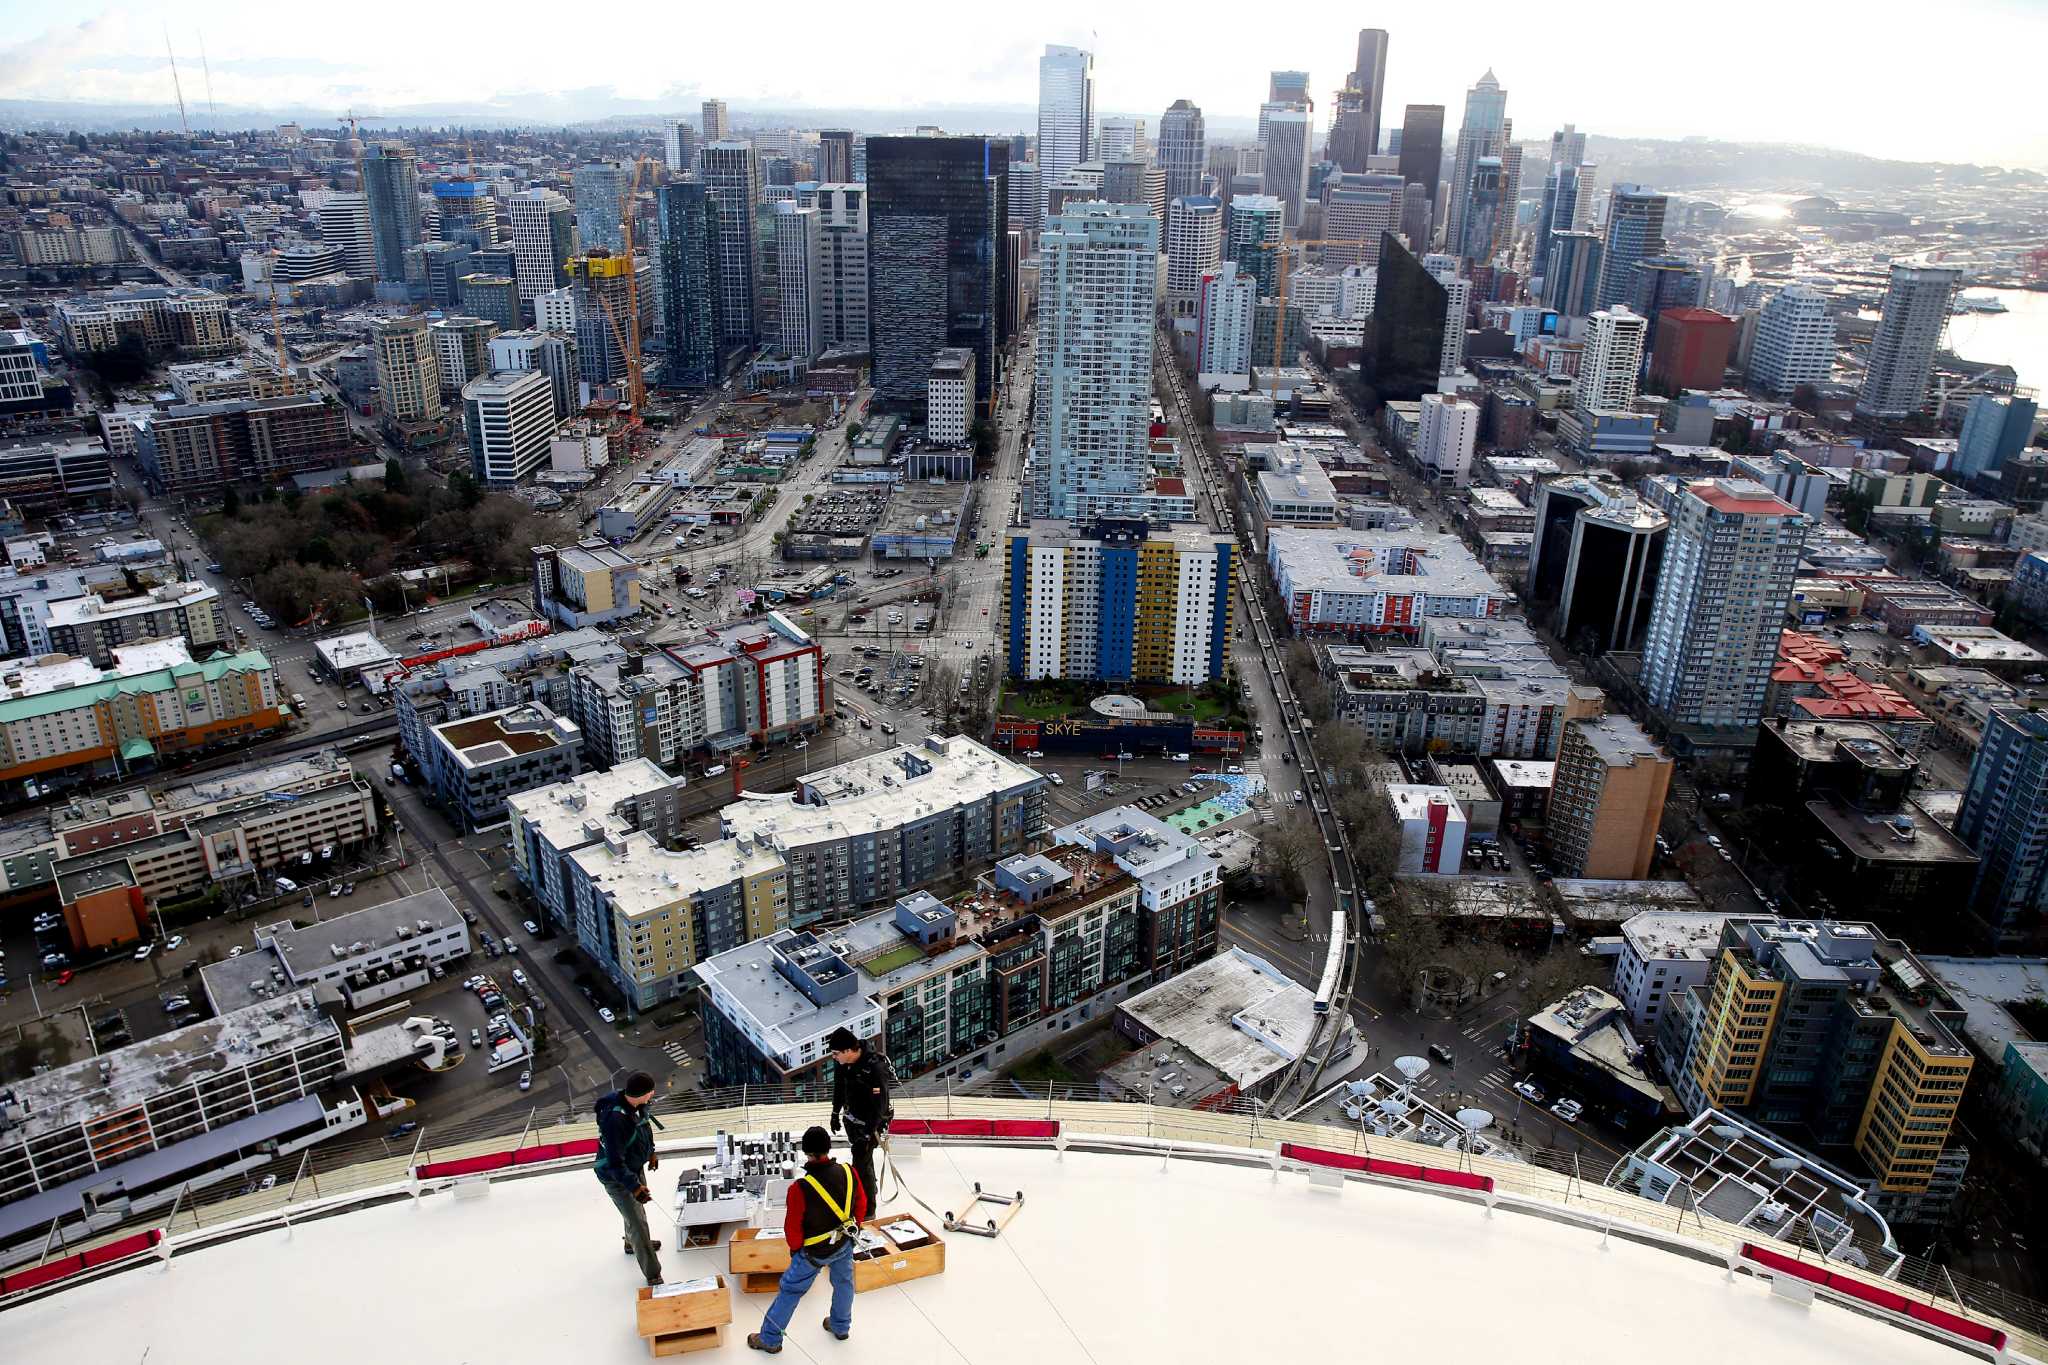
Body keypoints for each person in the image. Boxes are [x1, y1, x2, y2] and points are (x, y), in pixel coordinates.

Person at [748, 1126, 867, 1354]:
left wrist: (796, 1252)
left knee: (790, 1291)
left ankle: (770, 1339)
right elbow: (861, 1205)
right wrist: (853, 1230)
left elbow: (792, 1228)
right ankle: (840, 1326)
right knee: (844, 1283)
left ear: (807, 1153)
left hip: (813, 1253)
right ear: (828, 1148)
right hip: (843, 1243)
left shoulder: (800, 1188)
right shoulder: (849, 1172)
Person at [593, 1071, 664, 1286]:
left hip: (633, 1167)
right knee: (638, 1221)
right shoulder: (615, 1121)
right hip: (617, 1176)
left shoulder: (637, 1105)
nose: (653, 1094)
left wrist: (650, 1152)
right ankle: (653, 1274)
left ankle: (630, 1244)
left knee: (635, 1212)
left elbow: (645, 1128)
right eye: (651, 1091)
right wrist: (634, 1187)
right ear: (642, 1093)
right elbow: (614, 1163)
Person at [826, 1027, 893, 1211]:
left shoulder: (875, 1068)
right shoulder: (843, 1064)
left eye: (836, 1053)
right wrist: (835, 1112)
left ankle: (868, 1208)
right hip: (853, 1120)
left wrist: (867, 1135)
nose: (834, 1057)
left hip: (872, 1124)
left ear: (848, 1051)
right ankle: (869, 1188)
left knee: (860, 1164)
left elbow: (880, 1106)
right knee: (864, 1162)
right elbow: (839, 1087)